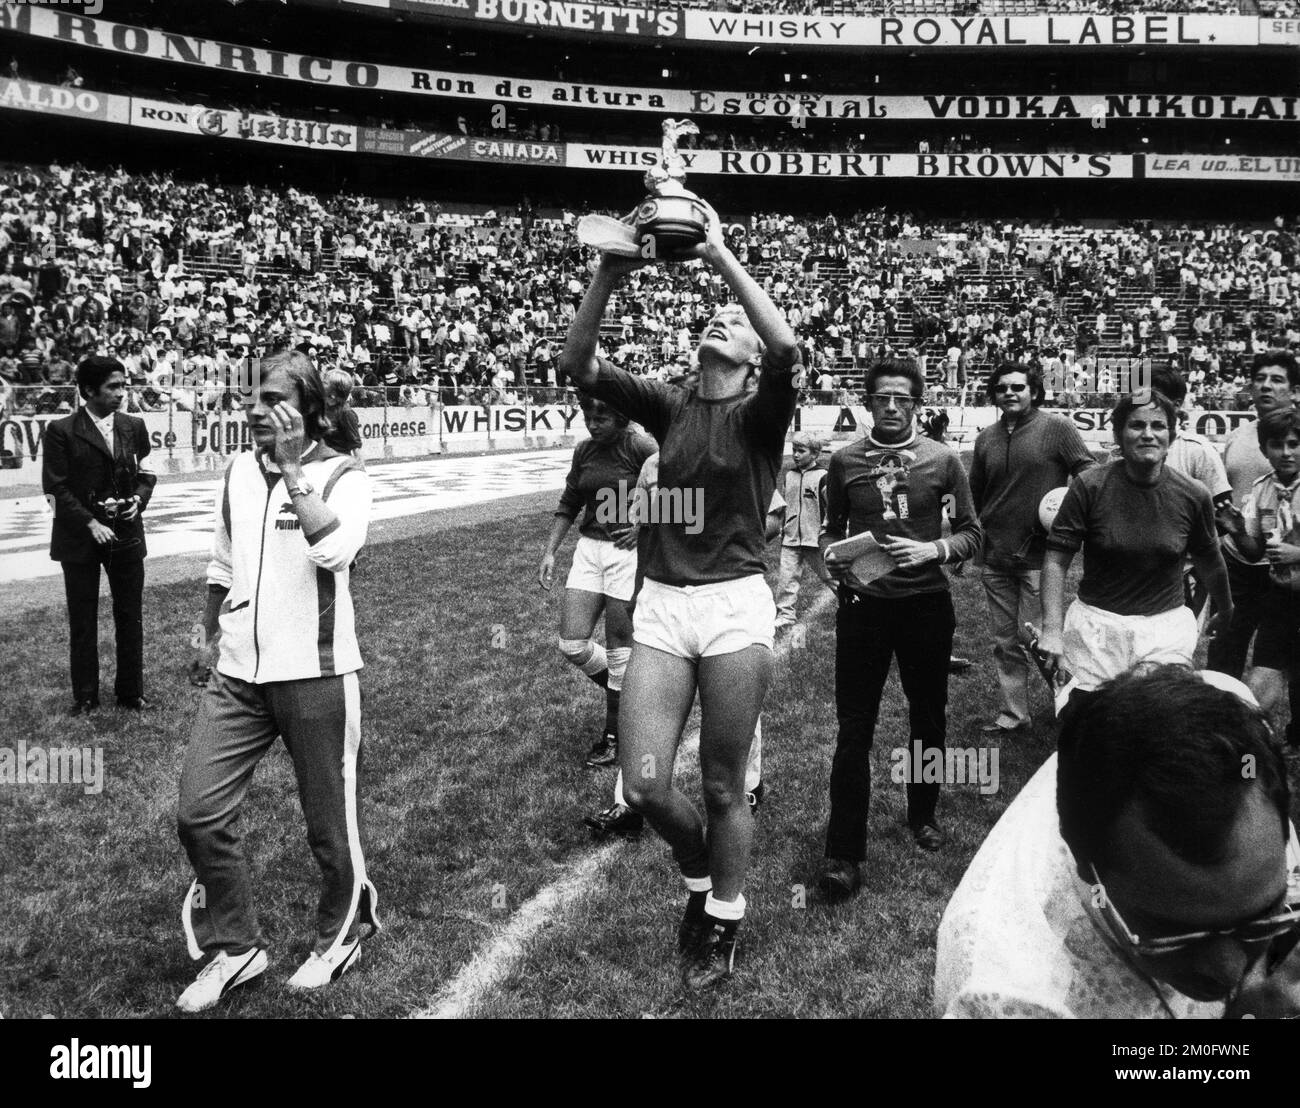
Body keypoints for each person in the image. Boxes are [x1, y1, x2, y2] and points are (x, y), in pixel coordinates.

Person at [559, 202, 799, 991]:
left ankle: (724, 917)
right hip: (661, 604)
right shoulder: (669, 404)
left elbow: (788, 343)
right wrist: (611, 267)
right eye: (716, 315)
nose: (720, 320)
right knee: (648, 782)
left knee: (726, 782)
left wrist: (722, 252)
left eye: (733, 321)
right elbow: (580, 363)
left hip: (733, 607)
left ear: (748, 359)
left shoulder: (761, 414)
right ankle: (701, 873)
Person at [176, 350, 378, 1013]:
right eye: (253, 397)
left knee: (329, 827)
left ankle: (344, 931)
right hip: (238, 674)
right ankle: (237, 948)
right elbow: (222, 558)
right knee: (200, 813)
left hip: (315, 675)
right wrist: (207, 632)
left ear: (309, 409)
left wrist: (294, 471)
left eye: (272, 398)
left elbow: (334, 550)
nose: (256, 409)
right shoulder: (237, 469)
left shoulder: (344, 475)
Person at [935, 666, 1300, 1018]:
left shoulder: (1237, 750)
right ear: (1086, 869)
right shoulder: (1008, 999)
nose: (1230, 973)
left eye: (1262, 918)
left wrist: (1271, 981)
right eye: (1175, 936)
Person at [818, 359, 983, 901]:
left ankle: (923, 813)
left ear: (917, 403)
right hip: (864, 607)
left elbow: (971, 532)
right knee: (854, 726)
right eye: (882, 397)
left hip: (926, 605)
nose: (892, 407)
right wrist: (833, 563)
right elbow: (830, 532)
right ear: (867, 402)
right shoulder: (844, 461)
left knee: (928, 713)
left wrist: (933, 549)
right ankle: (843, 852)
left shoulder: (942, 460)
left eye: (903, 399)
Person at [584, 450, 779, 838]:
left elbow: (774, 518)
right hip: (666, 598)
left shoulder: (738, 454)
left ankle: (749, 784)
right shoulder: (653, 465)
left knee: (733, 705)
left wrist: (712, 529)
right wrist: (638, 589)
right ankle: (628, 803)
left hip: (725, 597)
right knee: (646, 708)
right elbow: (644, 531)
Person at [1039, 390, 1234, 711]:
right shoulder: (1089, 486)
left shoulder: (1193, 494)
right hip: (1097, 628)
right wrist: (1051, 630)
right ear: (1118, 434)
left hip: (1164, 628)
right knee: (1094, 722)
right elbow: (1056, 561)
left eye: (1158, 425)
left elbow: (1210, 560)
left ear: (1171, 434)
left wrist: (1225, 610)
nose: (1148, 434)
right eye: (1136, 425)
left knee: (1157, 721)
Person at [969, 363, 1095, 735]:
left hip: (1041, 555)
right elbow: (975, 495)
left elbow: (1087, 472)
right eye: (1002, 388)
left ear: (1034, 392)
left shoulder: (1058, 429)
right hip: (995, 553)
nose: (1010, 393)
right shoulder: (985, 439)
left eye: (1018, 387)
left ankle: (1074, 708)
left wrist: (1067, 511)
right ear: (994, 394)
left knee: (1040, 637)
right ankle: (1015, 713)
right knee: (1004, 641)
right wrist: (971, 542)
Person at [539, 394, 655, 768]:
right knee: (572, 643)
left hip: (627, 554)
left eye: (601, 417)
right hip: (590, 549)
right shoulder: (584, 449)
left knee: (621, 647)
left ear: (621, 417)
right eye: (588, 416)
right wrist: (550, 552)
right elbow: (570, 500)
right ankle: (634, 696)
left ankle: (614, 734)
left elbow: (678, 494)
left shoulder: (641, 445)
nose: (593, 423)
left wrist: (641, 528)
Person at [41, 355, 156, 714]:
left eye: (124, 385)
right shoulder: (61, 431)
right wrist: (91, 523)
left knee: (130, 615)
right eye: (113, 387)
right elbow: (54, 489)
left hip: (126, 535)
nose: (121, 393)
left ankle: (130, 693)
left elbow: (147, 473)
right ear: (89, 390)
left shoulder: (133, 425)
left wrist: (137, 500)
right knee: (83, 618)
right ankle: (86, 696)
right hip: (79, 539)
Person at [1208, 351, 1300, 681]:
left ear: (1294, 390)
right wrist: (1229, 532)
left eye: (1277, 380)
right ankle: (1219, 724)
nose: (1265, 386)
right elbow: (1227, 492)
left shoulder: (1296, 439)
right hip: (1241, 560)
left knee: (1282, 659)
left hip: (1287, 570)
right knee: (1224, 650)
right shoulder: (1237, 435)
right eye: (1260, 379)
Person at [1234, 406, 1300, 747]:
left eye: (1294, 443)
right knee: (1260, 685)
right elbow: (1254, 551)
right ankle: (1248, 764)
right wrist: (1234, 530)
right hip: (1280, 601)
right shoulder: (1262, 490)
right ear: (1264, 449)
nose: (1286, 452)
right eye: (1277, 445)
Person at [774, 431, 834, 631]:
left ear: (815, 454)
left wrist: (826, 532)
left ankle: (852, 604)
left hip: (814, 539)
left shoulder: (823, 477)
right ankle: (785, 615)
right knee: (786, 580)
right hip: (791, 538)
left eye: (801, 451)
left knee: (830, 577)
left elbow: (831, 508)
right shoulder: (789, 475)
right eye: (794, 450)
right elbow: (785, 504)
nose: (796, 455)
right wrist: (783, 527)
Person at [322, 367, 363, 457]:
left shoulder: (346, 413)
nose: (320, 384)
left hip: (338, 462)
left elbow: (355, 446)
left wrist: (360, 469)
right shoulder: (321, 407)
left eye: (325, 383)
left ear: (334, 392)